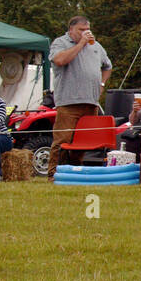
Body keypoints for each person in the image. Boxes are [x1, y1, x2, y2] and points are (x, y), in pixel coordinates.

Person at [48, 15, 113, 178]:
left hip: (91, 102)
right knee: (62, 141)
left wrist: (102, 84)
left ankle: (75, 173)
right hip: (69, 102)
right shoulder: (60, 43)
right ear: (71, 30)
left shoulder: (96, 46)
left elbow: (108, 66)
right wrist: (81, 44)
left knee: (83, 142)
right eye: (81, 30)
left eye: (87, 30)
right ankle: (54, 175)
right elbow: (60, 60)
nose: (86, 33)